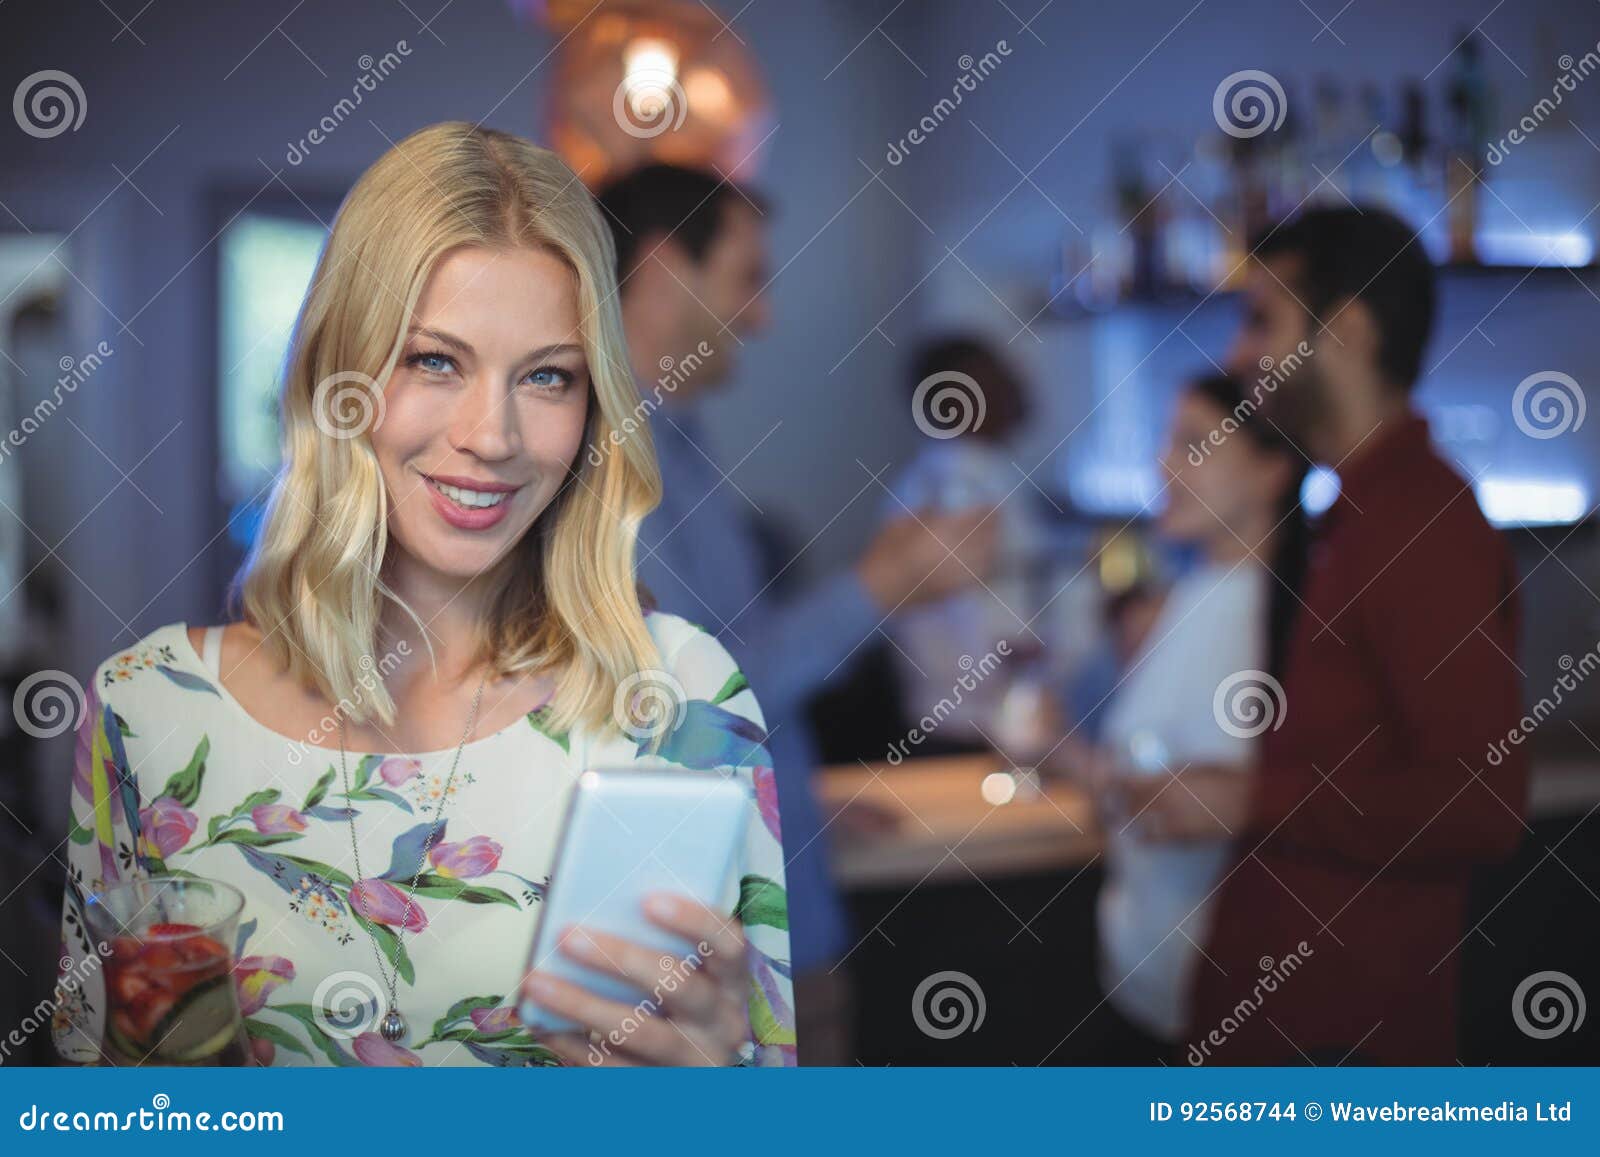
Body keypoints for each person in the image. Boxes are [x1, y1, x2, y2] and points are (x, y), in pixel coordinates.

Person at [52, 122, 793, 1067]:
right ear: (341, 373)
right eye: (434, 360)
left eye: (548, 376)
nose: (493, 435)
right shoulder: (147, 711)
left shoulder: (685, 698)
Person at [595, 164, 997, 1063]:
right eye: (748, 278)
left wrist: (802, 799)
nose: (762, 315)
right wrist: (882, 583)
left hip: (771, 913)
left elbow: (727, 674)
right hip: (718, 957)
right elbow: (689, 698)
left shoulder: (681, 439)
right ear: (662, 269)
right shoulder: (610, 459)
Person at [1122, 207, 1529, 1064]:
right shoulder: (1358, 514)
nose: (1240, 352)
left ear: (1343, 331)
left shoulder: (1421, 523)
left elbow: (1481, 804)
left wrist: (1250, 798)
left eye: (1262, 320)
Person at [1077, 372, 1308, 1063]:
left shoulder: (1259, 617)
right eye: (1168, 442)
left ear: (1272, 470)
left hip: (1207, 998)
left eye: (1195, 444)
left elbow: (1194, 805)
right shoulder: (1200, 594)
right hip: (1152, 978)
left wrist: (1064, 758)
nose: (1165, 463)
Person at [882, 336, 1046, 748]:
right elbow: (975, 607)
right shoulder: (958, 485)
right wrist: (1026, 657)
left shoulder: (954, 476)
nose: (1017, 386)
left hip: (965, 715)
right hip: (975, 725)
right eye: (996, 378)